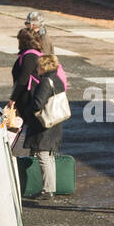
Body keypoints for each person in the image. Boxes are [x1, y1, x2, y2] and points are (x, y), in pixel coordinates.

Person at [21, 52, 66, 198]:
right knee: (49, 155)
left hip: (44, 124)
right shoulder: (57, 79)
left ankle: (48, 190)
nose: (37, 69)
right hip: (55, 122)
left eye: (39, 66)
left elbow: (38, 103)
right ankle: (50, 188)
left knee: (43, 155)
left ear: (44, 67)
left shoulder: (46, 81)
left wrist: (28, 111)